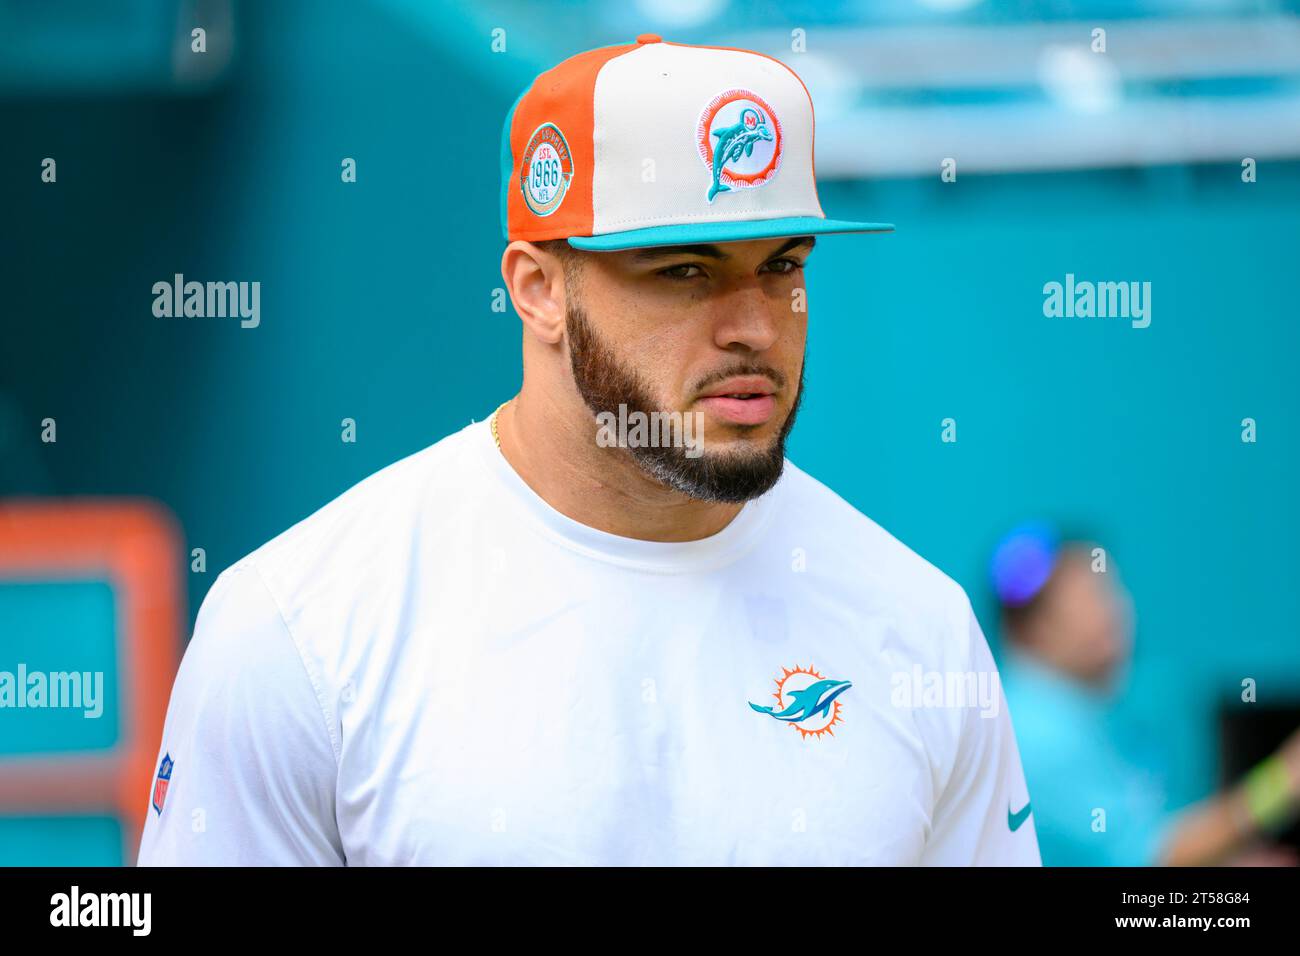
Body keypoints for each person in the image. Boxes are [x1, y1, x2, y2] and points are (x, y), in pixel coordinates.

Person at [137, 35, 1040, 865]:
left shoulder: (920, 627)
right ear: (538, 291)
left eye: (784, 264)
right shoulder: (303, 627)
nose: (756, 327)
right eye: (685, 270)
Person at [993, 522, 1300, 866]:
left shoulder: (1091, 711)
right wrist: (1282, 783)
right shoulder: (1033, 734)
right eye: (1087, 596)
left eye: (1110, 589)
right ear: (1032, 628)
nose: (1113, 612)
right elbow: (1150, 858)